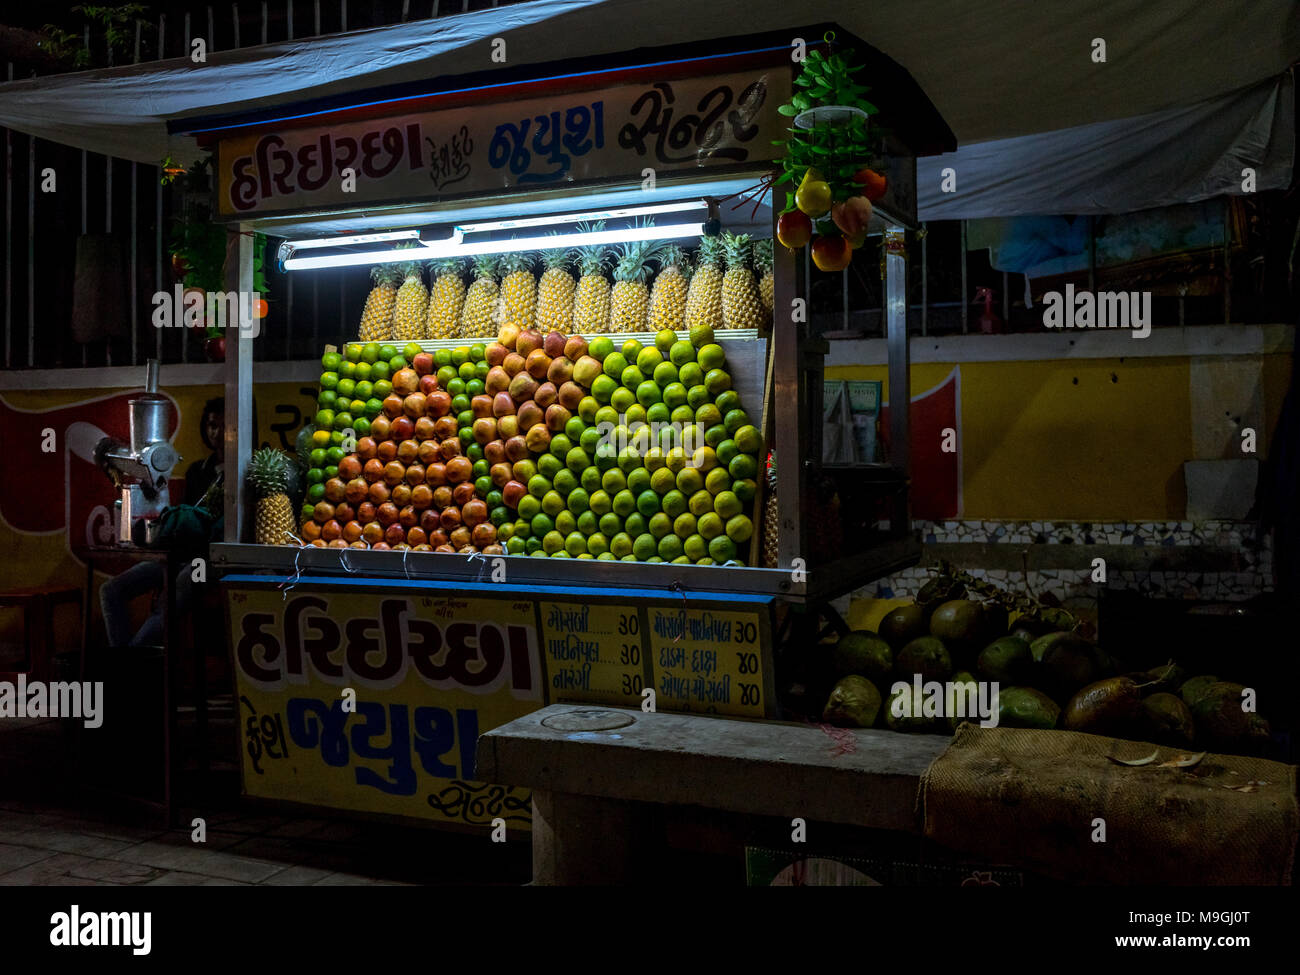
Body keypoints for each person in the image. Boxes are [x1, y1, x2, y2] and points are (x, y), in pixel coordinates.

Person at [99, 397, 224, 648]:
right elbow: (183, 519)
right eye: (212, 425)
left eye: (224, 426)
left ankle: (131, 663)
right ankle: (128, 663)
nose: (217, 432)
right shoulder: (197, 471)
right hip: (178, 556)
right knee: (111, 590)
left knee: (171, 595)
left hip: (208, 561)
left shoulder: (243, 470)